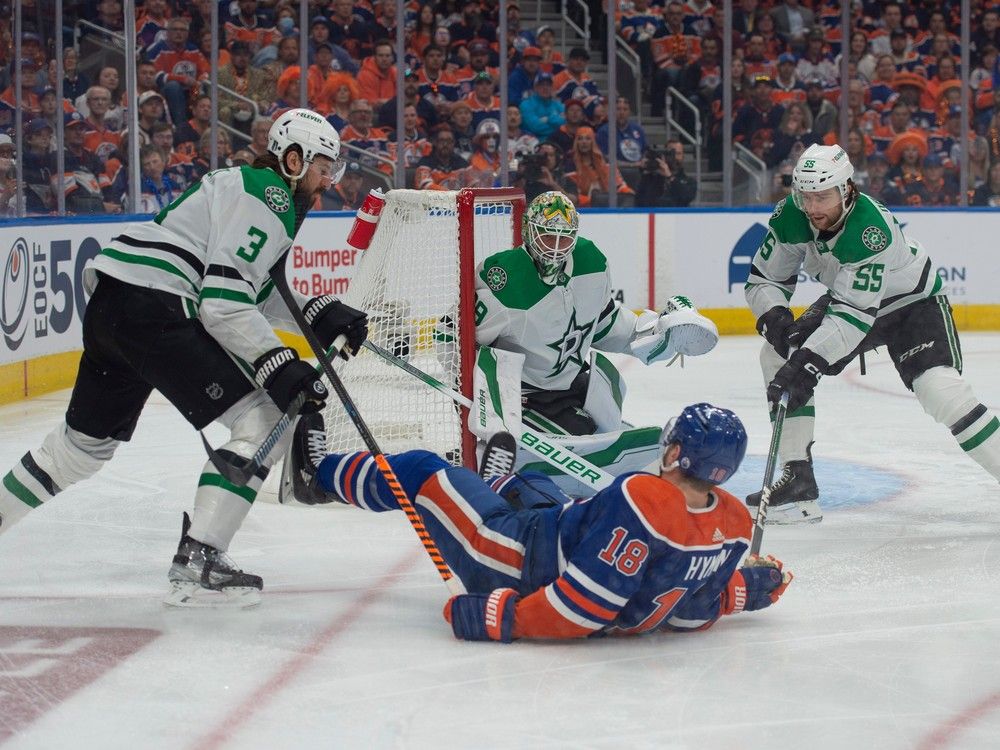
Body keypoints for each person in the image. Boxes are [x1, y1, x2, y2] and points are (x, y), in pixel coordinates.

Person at [0, 109, 369, 607]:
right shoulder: (272, 193)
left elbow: (247, 287)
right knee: (264, 418)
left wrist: (316, 311)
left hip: (115, 306)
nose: (330, 181)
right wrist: (279, 365)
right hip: (155, 308)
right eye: (325, 167)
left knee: (79, 449)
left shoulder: (246, 184)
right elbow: (222, 300)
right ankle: (200, 559)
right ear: (295, 158)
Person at [290, 404, 792, 641]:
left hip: (510, 558)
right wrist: (743, 588)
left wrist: (502, 619)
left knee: (425, 471)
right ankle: (499, 486)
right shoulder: (733, 522)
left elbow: (585, 605)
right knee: (536, 483)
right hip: (555, 531)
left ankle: (316, 477)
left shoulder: (644, 499)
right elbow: (690, 612)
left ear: (676, 452)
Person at [745, 144, 1000, 524]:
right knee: (777, 354)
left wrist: (809, 364)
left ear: (847, 189)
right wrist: (775, 317)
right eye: (806, 196)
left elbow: (852, 316)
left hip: (913, 304)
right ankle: (799, 484)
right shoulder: (791, 215)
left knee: (940, 391)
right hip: (854, 301)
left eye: (823, 195)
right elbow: (764, 278)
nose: (814, 207)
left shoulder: (870, 229)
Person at [455, 191, 718, 490]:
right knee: (573, 426)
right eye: (547, 237)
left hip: (568, 385)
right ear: (529, 231)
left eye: (564, 238)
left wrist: (654, 333)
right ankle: (497, 444)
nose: (555, 248)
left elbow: (603, 322)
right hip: (523, 396)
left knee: (605, 385)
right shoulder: (505, 280)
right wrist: (470, 388)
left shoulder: (590, 261)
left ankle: (551, 447)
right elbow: (454, 334)